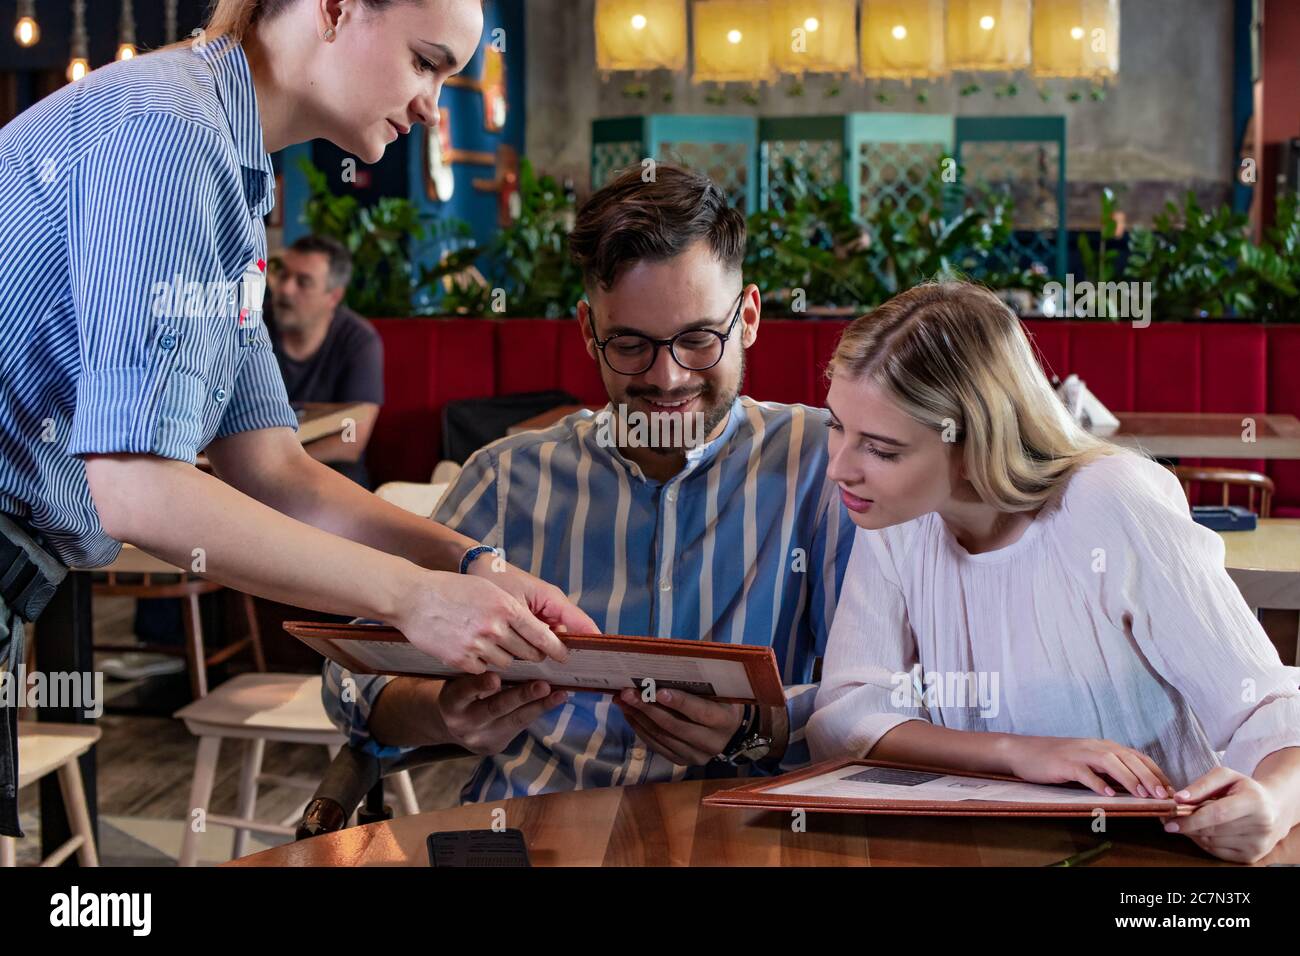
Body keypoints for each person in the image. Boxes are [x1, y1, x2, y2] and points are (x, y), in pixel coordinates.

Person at [0, 0, 593, 840]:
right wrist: (413, 599)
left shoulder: (235, 168)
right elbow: (134, 488)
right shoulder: (173, 132)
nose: (432, 105)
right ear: (336, 8)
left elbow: (271, 467)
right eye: (426, 62)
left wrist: (472, 563)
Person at [323, 164, 857, 800]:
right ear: (586, 331)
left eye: (697, 339)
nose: (667, 378)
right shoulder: (506, 478)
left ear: (748, 318)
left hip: (747, 835)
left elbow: (893, 685)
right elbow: (351, 675)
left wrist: (757, 727)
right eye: (630, 345)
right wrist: (441, 711)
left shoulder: (827, 464)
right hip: (530, 833)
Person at [807, 280, 1300, 863]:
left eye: (882, 449)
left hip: (1161, 861)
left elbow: (1270, 705)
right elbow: (846, 716)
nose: (840, 468)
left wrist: (1270, 803)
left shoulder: (1109, 502)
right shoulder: (895, 518)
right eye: (837, 424)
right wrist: (1019, 752)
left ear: (973, 444)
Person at [268, 235, 383, 487]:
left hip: (328, 473)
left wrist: (276, 464)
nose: (285, 289)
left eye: (303, 282)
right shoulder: (253, 326)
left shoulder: (358, 340)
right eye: (283, 275)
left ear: (334, 296)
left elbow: (352, 439)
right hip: (254, 467)